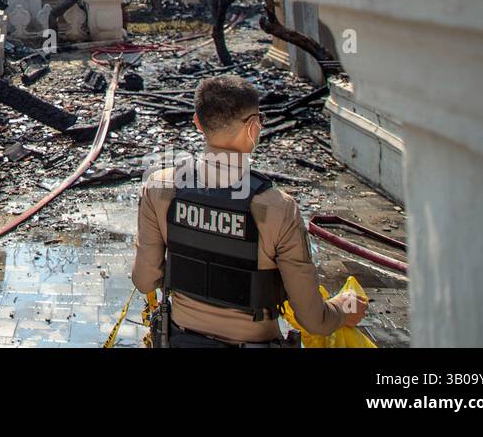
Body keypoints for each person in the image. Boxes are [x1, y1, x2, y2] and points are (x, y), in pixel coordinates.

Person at [131, 74, 368, 347]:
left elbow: (145, 281)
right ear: (254, 127)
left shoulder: (160, 188)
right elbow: (314, 320)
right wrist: (344, 307)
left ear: (197, 122)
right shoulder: (279, 208)